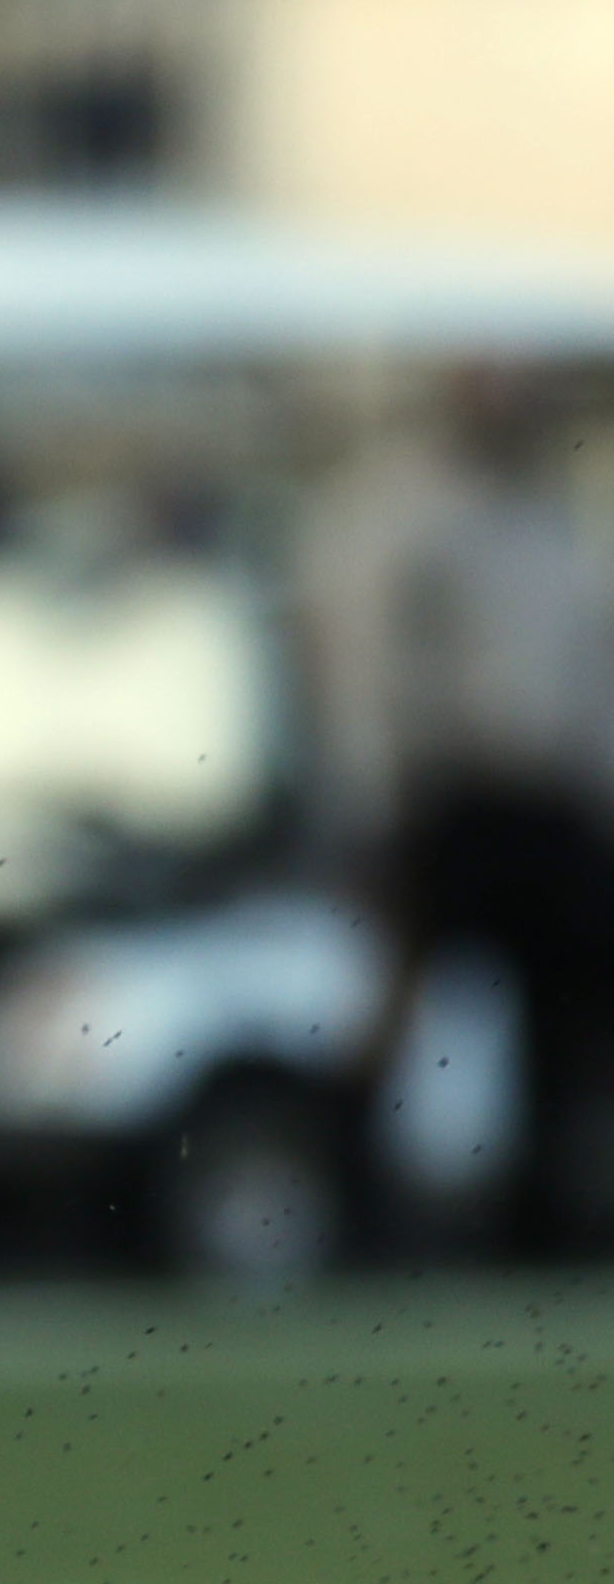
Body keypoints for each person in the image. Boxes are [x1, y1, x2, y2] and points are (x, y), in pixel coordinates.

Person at [304, 366, 614, 1250]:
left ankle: (545, 1217)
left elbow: (584, 670)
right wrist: (372, 801)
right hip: (444, 796)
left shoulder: (552, 512)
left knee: (561, 1016)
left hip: (548, 799)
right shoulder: (400, 510)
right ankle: (351, 1212)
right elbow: (361, 665)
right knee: (395, 1010)